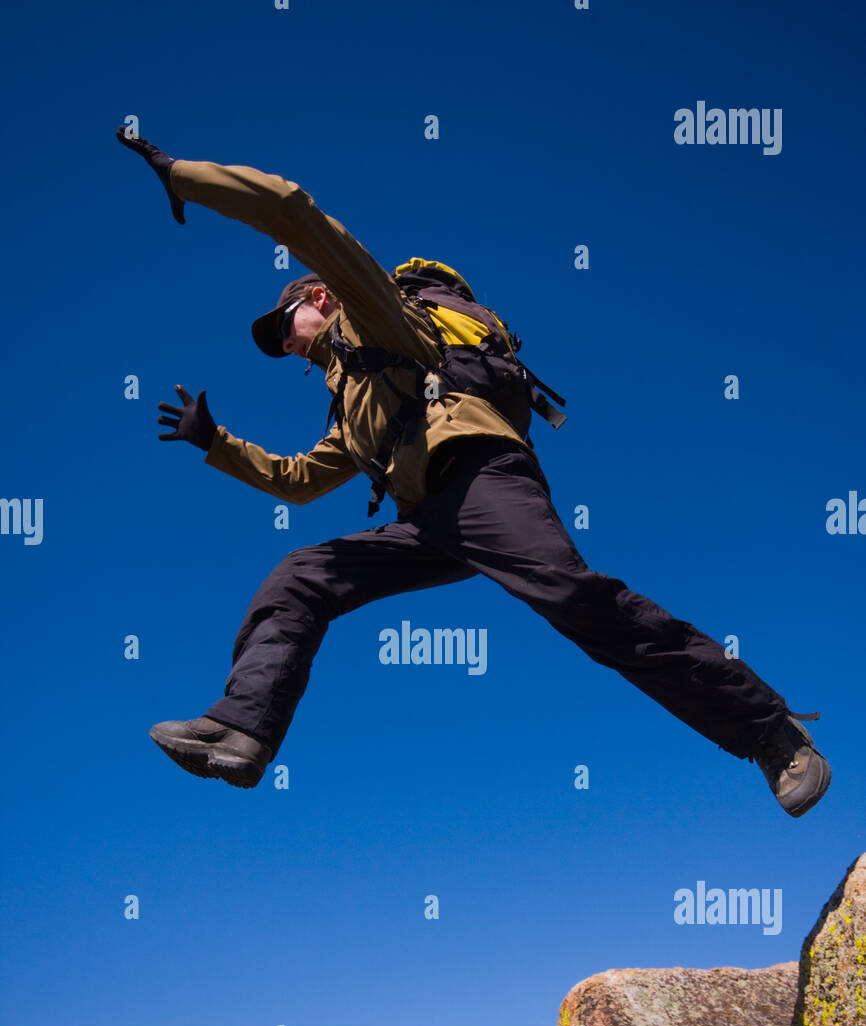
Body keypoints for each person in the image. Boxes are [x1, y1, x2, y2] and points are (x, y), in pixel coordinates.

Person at [115, 126, 831, 816]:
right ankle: (242, 729)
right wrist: (216, 442)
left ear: (320, 299)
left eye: (283, 326)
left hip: (482, 478)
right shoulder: (350, 407)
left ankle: (768, 730)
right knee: (299, 575)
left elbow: (296, 215)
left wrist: (184, 177)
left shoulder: (375, 314)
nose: (284, 345)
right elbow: (301, 480)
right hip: (428, 523)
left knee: (575, 599)